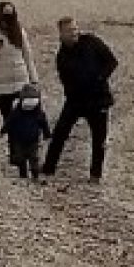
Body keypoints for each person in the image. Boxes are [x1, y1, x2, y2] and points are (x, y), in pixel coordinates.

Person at [44, 17, 120, 181]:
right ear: (61, 34)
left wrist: (100, 78)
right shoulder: (62, 56)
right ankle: (48, 168)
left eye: (75, 29)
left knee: (99, 140)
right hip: (75, 101)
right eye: (69, 30)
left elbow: (112, 62)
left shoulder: (91, 42)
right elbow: (65, 81)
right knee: (59, 134)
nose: (74, 33)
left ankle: (95, 175)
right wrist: (72, 94)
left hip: (98, 99)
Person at [0, 1, 35, 140]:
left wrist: (33, 78)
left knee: (24, 116)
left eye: (10, 17)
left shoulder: (18, 30)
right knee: (9, 119)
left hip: (20, 81)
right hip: (0, 85)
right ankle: (16, 153)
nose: (6, 21)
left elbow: (27, 54)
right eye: (4, 17)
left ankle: (26, 149)